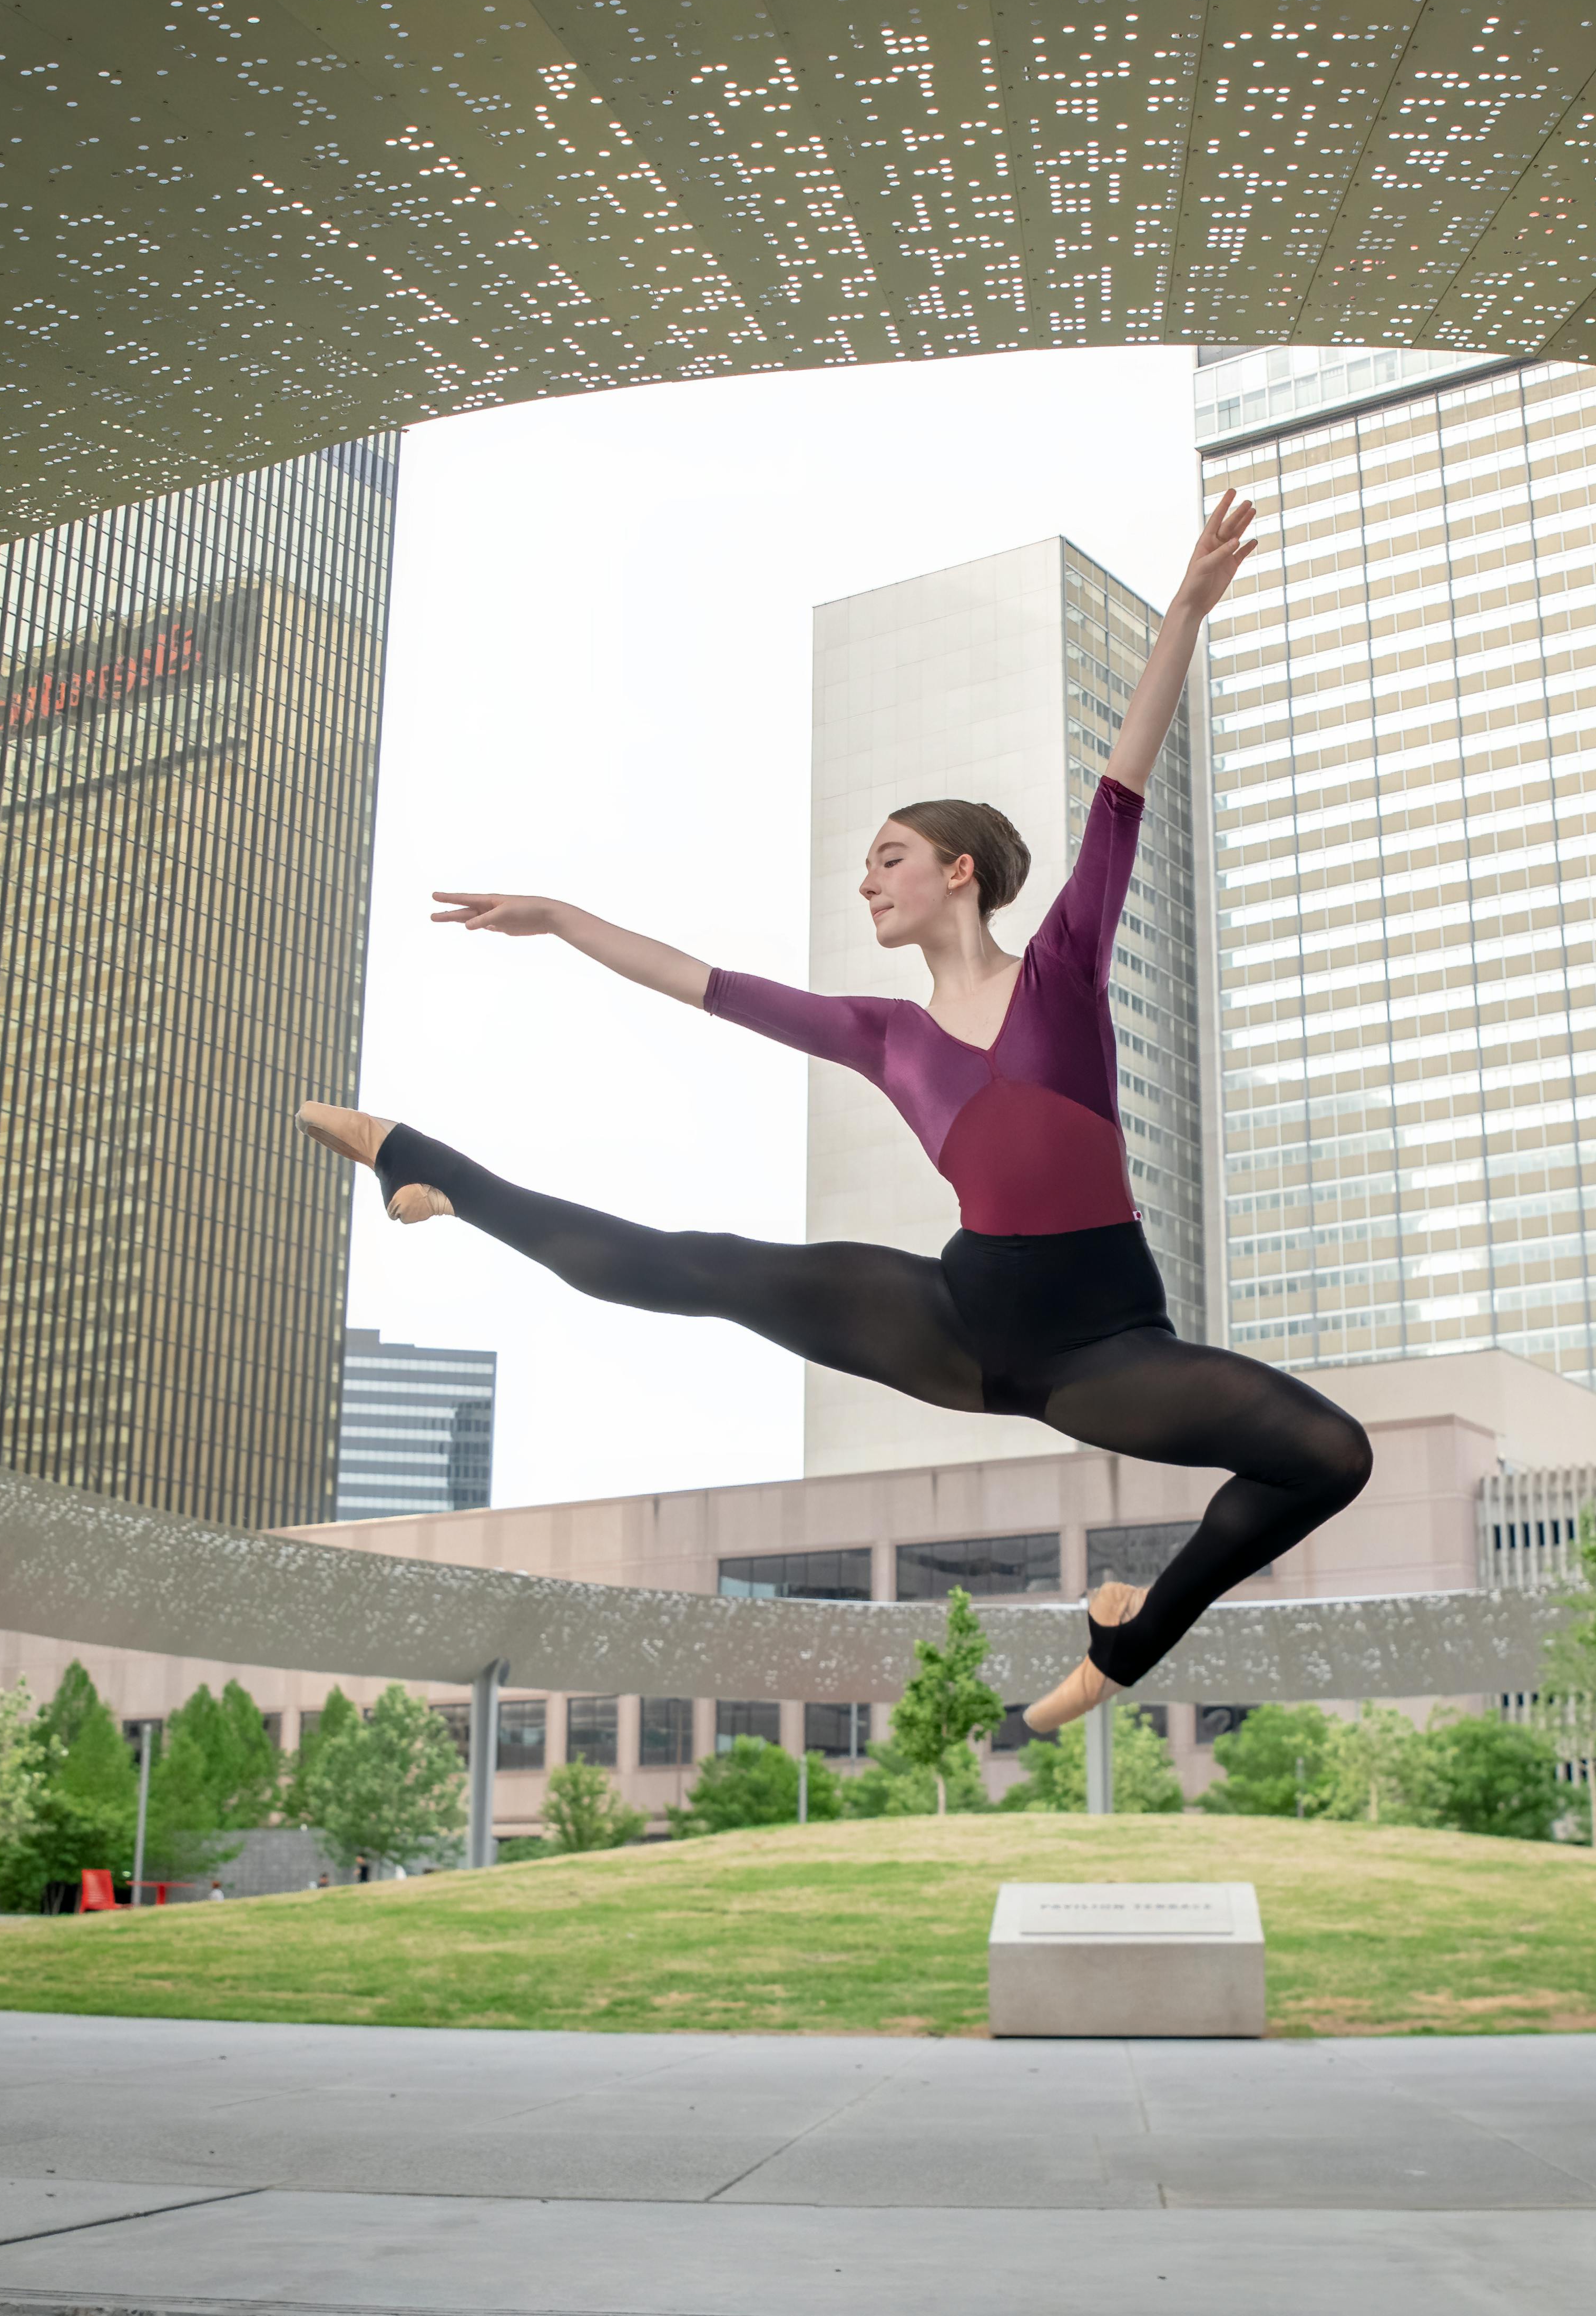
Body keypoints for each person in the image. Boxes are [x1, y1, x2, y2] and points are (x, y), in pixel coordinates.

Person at [301, 489, 1368, 1736]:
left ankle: (1124, 1642)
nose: (867, 879)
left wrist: (1183, 609)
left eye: (888, 858)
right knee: (695, 1266)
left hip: (1104, 1345)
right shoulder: (882, 1034)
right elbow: (705, 984)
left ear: (956, 872)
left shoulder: (1065, 964)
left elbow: (1121, 790)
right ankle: (424, 1165)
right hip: (963, 1321)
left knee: (1327, 1456)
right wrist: (561, 918)